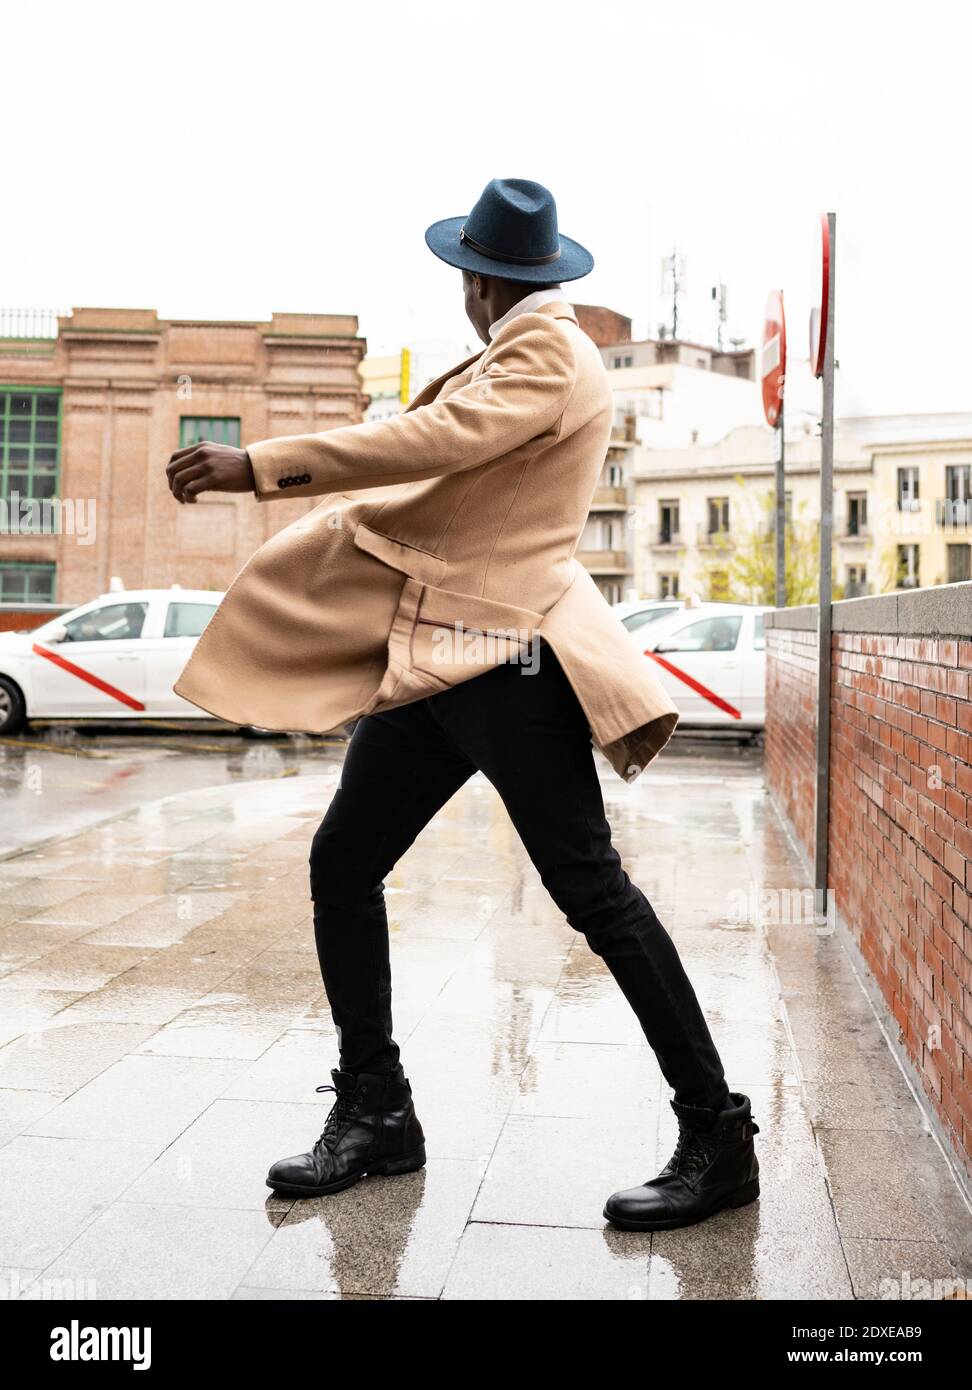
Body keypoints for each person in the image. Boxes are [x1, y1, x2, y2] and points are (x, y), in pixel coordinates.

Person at [165, 178, 759, 1231]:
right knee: (344, 860)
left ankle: (716, 1134)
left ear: (480, 279)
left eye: (465, 278)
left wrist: (258, 465)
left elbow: (428, 443)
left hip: (506, 658)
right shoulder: (523, 349)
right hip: (440, 650)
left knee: (593, 891)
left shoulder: (543, 354)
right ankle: (376, 1109)